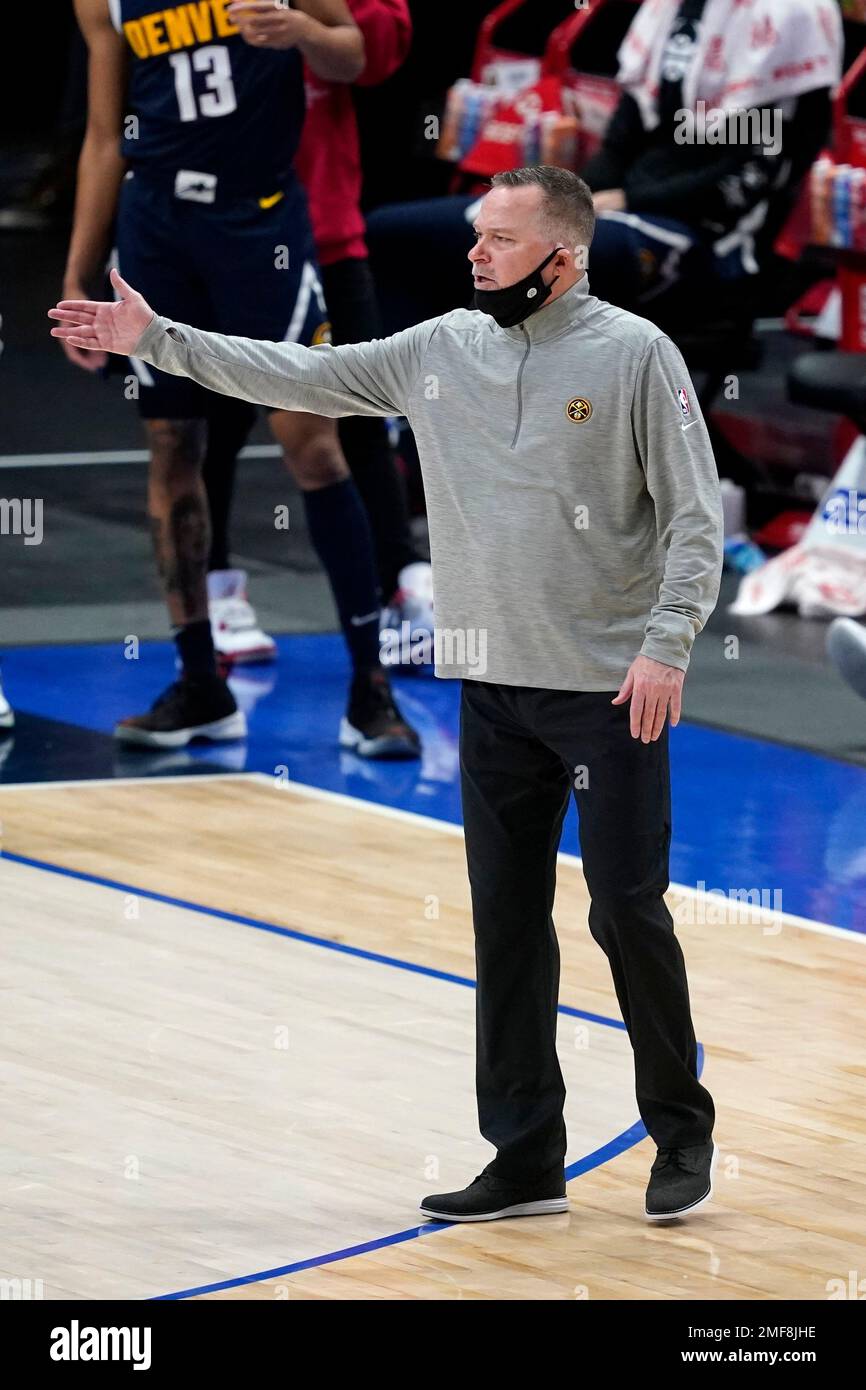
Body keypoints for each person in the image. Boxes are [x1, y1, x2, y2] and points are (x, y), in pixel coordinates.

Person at [50, 164, 725, 1223]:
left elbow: (693, 519)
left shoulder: (635, 355)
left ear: (563, 256)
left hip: (603, 690)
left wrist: (665, 645)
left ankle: (679, 1133)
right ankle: (524, 1157)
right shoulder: (436, 347)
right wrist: (159, 338)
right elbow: (295, 372)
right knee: (505, 922)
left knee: (624, 910)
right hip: (488, 690)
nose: (474, 256)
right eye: (474, 236)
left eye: (498, 241)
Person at [60, 0, 419, 757]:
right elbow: (102, 136)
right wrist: (79, 269)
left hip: (260, 223)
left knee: (313, 445)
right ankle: (199, 681)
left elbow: (352, 53)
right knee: (171, 446)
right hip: (156, 220)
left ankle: (369, 687)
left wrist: (303, 34)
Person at [202, 0, 437, 670]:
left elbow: (376, 51)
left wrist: (306, 24)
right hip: (218, 233)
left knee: (360, 411)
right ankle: (217, 591)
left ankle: (402, 585)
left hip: (327, 227)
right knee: (212, 419)